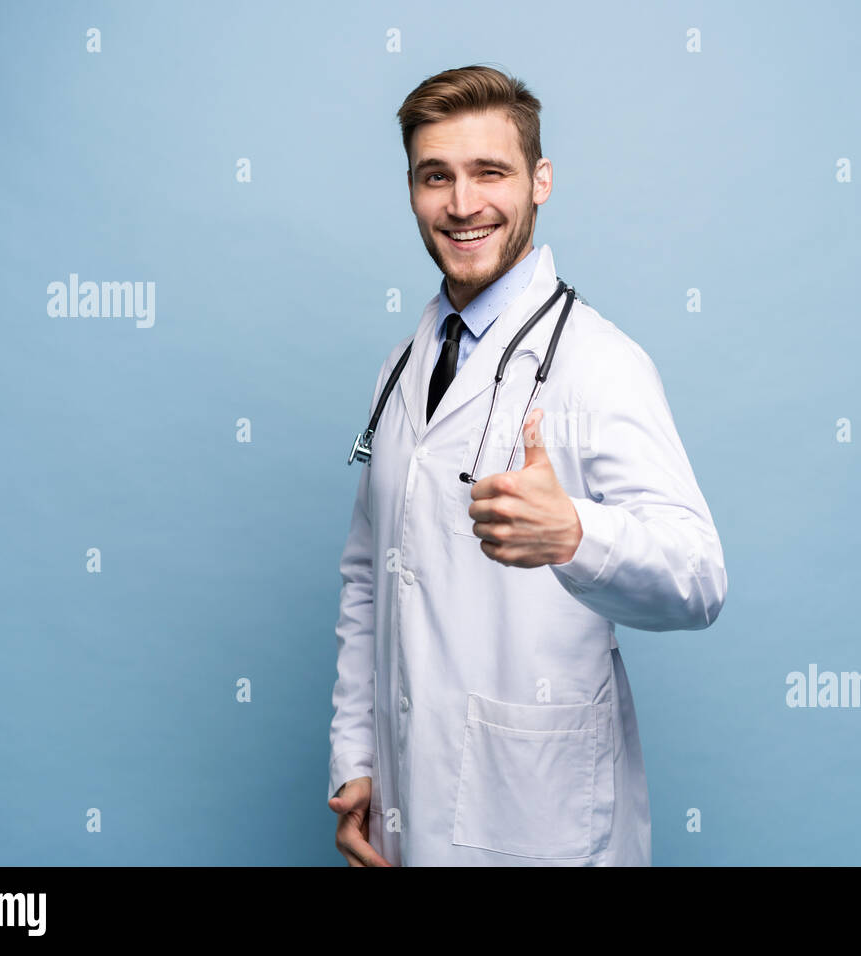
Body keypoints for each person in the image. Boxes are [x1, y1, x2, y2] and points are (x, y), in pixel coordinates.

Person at [327, 64, 727, 866]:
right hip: (406, 806)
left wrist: (576, 533)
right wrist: (360, 763)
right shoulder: (401, 368)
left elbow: (699, 577)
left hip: (539, 818)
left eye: (491, 173)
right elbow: (371, 578)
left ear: (540, 181)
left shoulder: (598, 362)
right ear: (411, 188)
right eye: (435, 176)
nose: (463, 203)